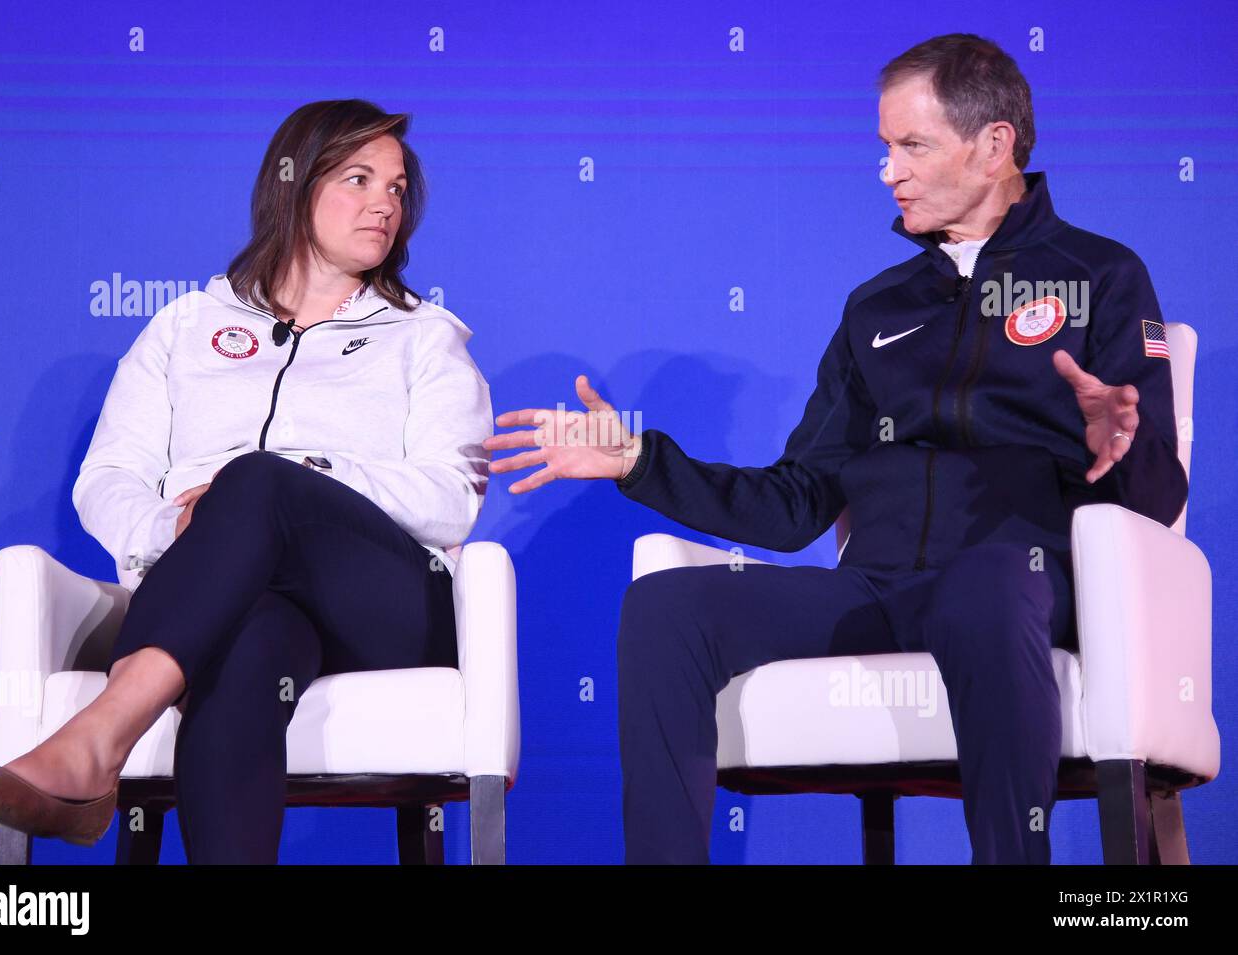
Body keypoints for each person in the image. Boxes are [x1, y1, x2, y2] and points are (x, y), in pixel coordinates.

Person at [483, 34, 1187, 864]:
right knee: (665, 606)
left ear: (994, 144)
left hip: (1019, 581)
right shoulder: (876, 308)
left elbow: (1154, 503)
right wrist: (641, 461)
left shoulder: (1100, 274)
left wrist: (1119, 441)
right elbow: (794, 504)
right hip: (879, 587)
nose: (888, 171)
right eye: (885, 148)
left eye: (911, 145)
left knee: (989, 582)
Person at [0, 99, 493, 863]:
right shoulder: (184, 327)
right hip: (226, 602)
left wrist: (303, 478)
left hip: (382, 605)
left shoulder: (424, 339)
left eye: (398, 189)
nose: (385, 204)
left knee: (260, 482)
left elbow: (449, 500)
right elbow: (108, 477)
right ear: (293, 185)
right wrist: (177, 530)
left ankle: (100, 735)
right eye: (360, 179)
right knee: (244, 647)